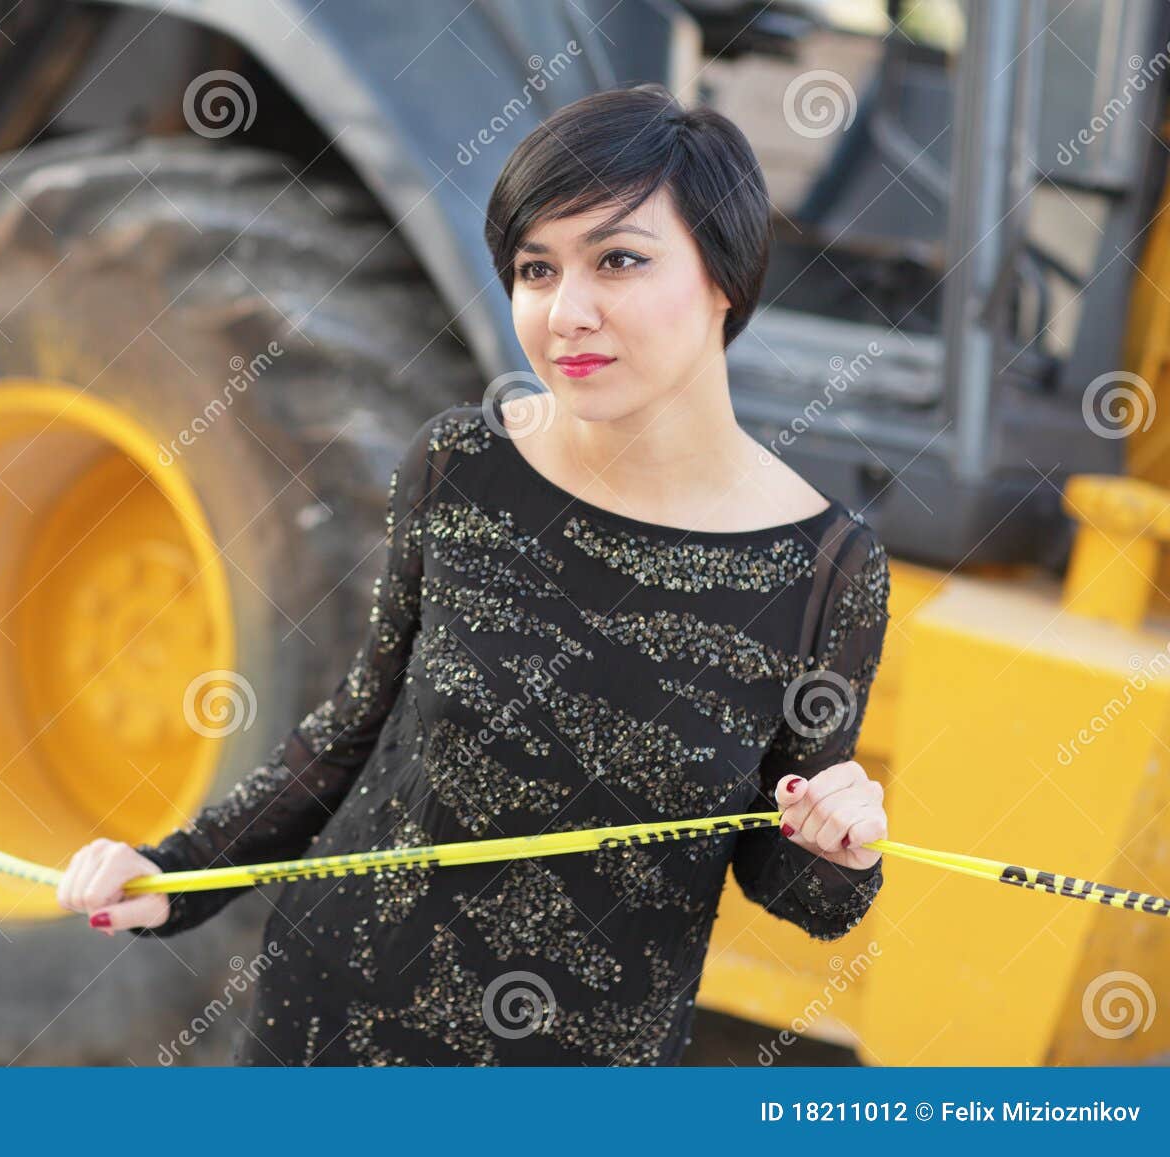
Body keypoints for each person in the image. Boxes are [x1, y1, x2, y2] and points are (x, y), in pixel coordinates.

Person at [56, 82, 891, 1065]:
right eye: (536, 269)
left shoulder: (828, 568)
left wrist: (842, 849)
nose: (566, 311)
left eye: (618, 259)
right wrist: (175, 870)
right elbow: (358, 726)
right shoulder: (463, 463)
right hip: (332, 1021)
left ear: (725, 279)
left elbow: (794, 890)